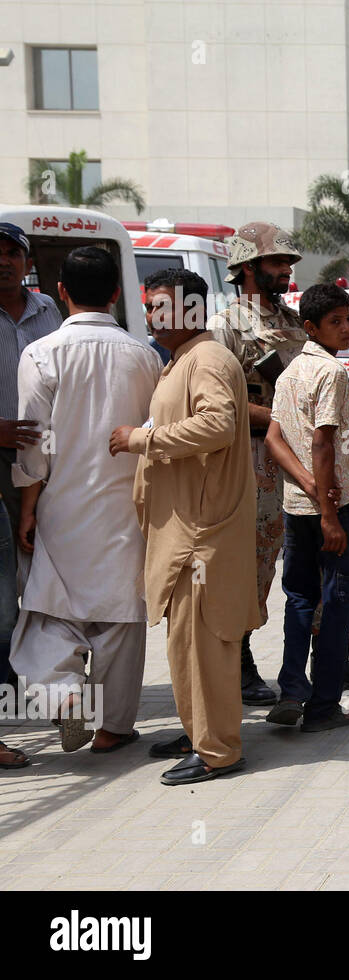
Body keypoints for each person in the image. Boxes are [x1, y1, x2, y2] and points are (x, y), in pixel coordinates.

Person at [110, 268, 262, 785]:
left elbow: (217, 425)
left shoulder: (209, 358)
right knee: (186, 643)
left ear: (190, 309)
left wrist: (140, 441)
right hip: (184, 531)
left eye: (158, 306)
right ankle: (197, 731)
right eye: (148, 306)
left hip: (203, 534)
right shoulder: (182, 359)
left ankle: (218, 749)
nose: (150, 316)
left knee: (203, 643)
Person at [9, 247, 160, 755]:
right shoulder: (144, 355)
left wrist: (28, 503)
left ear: (61, 292)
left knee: (51, 611)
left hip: (63, 504)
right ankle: (113, 727)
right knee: (120, 616)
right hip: (128, 507)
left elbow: (34, 439)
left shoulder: (41, 353)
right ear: (117, 294)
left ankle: (66, 698)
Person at [264, 284, 349, 732]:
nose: (346, 329)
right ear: (310, 327)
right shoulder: (331, 373)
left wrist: (305, 487)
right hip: (334, 506)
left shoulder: (289, 372)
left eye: (348, 319)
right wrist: (327, 511)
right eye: (335, 322)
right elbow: (323, 443)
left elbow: (273, 440)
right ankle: (323, 707)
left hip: (296, 506)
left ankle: (291, 690)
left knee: (300, 600)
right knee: (336, 604)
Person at [0, 221, 61, 720]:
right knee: (3, 581)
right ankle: (9, 685)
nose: (2, 261)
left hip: (46, 459)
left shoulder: (50, 311)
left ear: (26, 261)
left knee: (44, 566)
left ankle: (49, 677)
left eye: (10, 252)